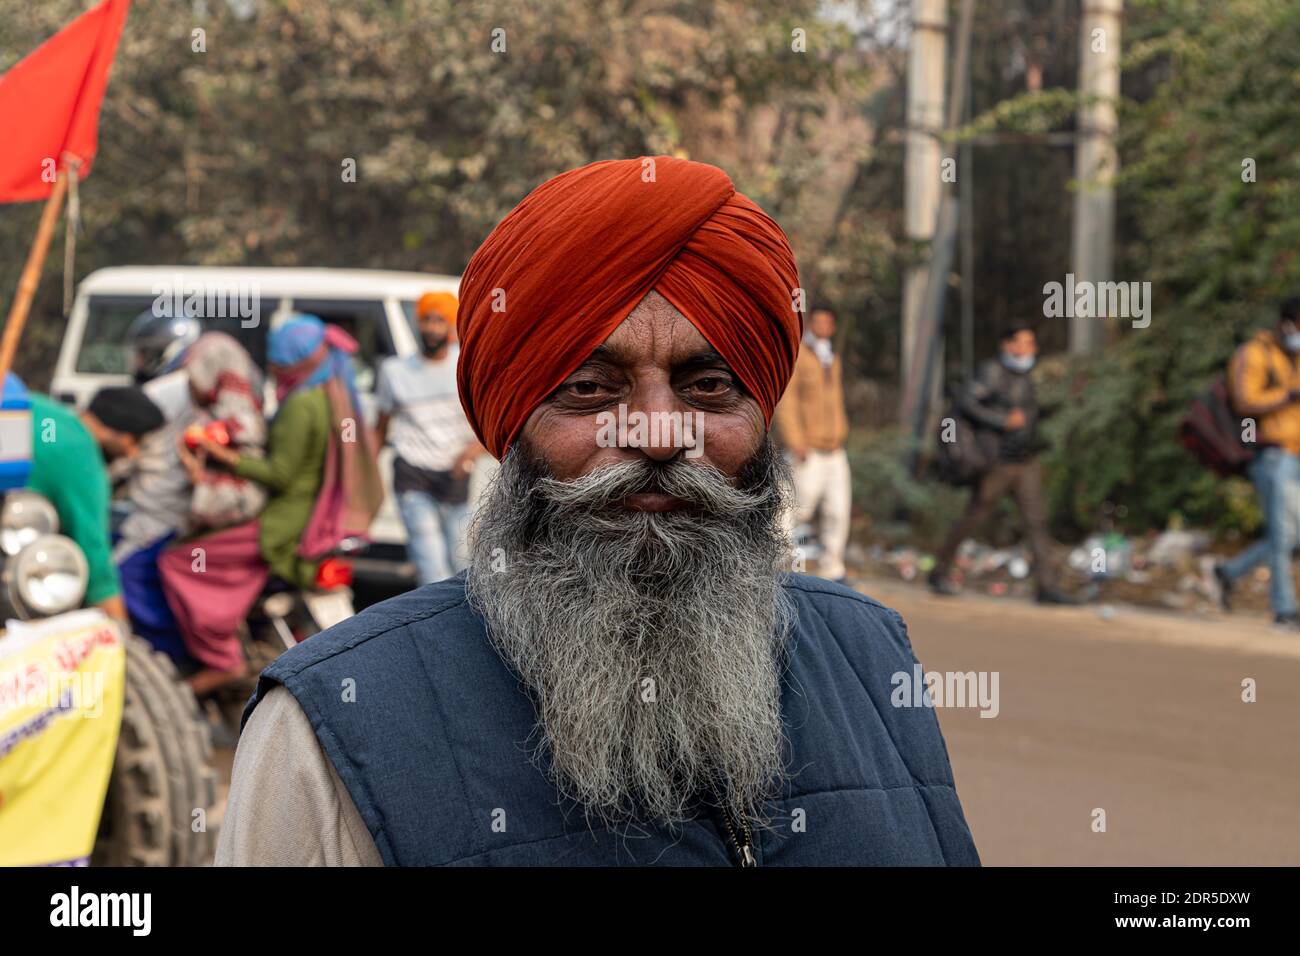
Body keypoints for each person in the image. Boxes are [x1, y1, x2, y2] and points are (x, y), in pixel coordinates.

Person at [217, 157, 979, 867]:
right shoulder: (331, 732)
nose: (655, 432)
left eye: (708, 386)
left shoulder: (870, 654)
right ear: (512, 422)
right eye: (589, 388)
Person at [159, 315, 382, 695]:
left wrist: (220, 455)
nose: (272, 368)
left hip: (286, 523)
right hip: (313, 517)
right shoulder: (332, 393)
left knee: (178, 559)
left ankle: (220, 657)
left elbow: (280, 474)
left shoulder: (302, 405)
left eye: (277, 360)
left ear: (294, 362)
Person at [114, 332, 268, 665]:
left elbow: (242, 482)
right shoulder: (214, 409)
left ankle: (166, 660)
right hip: (192, 512)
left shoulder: (233, 418)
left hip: (191, 517)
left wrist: (196, 465)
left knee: (128, 575)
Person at [928, 325, 1075, 604]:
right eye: (1022, 343)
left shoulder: (1029, 376)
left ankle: (1047, 587)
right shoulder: (992, 371)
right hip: (997, 461)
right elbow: (966, 402)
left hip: (1024, 459)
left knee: (1036, 522)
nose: (1028, 349)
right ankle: (939, 572)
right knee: (975, 517)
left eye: (1031, 343)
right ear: (1007, 345)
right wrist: (1002, 420)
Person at [28, 386, 164, 624]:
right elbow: (94, 557)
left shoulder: (42, 409)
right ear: (114, 429)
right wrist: (119, 632)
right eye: (134, 441)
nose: (132, 454)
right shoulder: (82, 454)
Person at [375, 291, 483, 584]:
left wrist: (470, 453)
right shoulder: (394, 371)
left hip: (455, 475)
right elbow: (381, 427)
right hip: (413, 475)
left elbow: (488, 423)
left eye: (439, 321)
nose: (432, 328)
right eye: (426, 320)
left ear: (451, 326)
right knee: (431, 566)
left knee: (463, 562)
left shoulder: (466, 366)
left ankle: (468, 627)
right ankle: (440, 629)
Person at [1215, 297, 1300, 630]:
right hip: (1272, 454)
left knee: (1291, 537)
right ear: (1287, 323)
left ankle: (1228, 573)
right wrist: (1288, 395)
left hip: (1297, 453)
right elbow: (1244, 399)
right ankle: (1284, 610)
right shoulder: (1255, 353)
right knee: (1281, 536)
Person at [774, 305, 851, 581]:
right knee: (796, 509)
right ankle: (776, 566)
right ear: (810, 324)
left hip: (834, 448)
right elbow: (787, 401)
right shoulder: (799, 355)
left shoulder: (831, 355)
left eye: (828, 322)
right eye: (818, 321)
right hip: (807, 448)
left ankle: (834, 570)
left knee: (838, 511)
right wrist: (796, 441)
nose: (823, 326)